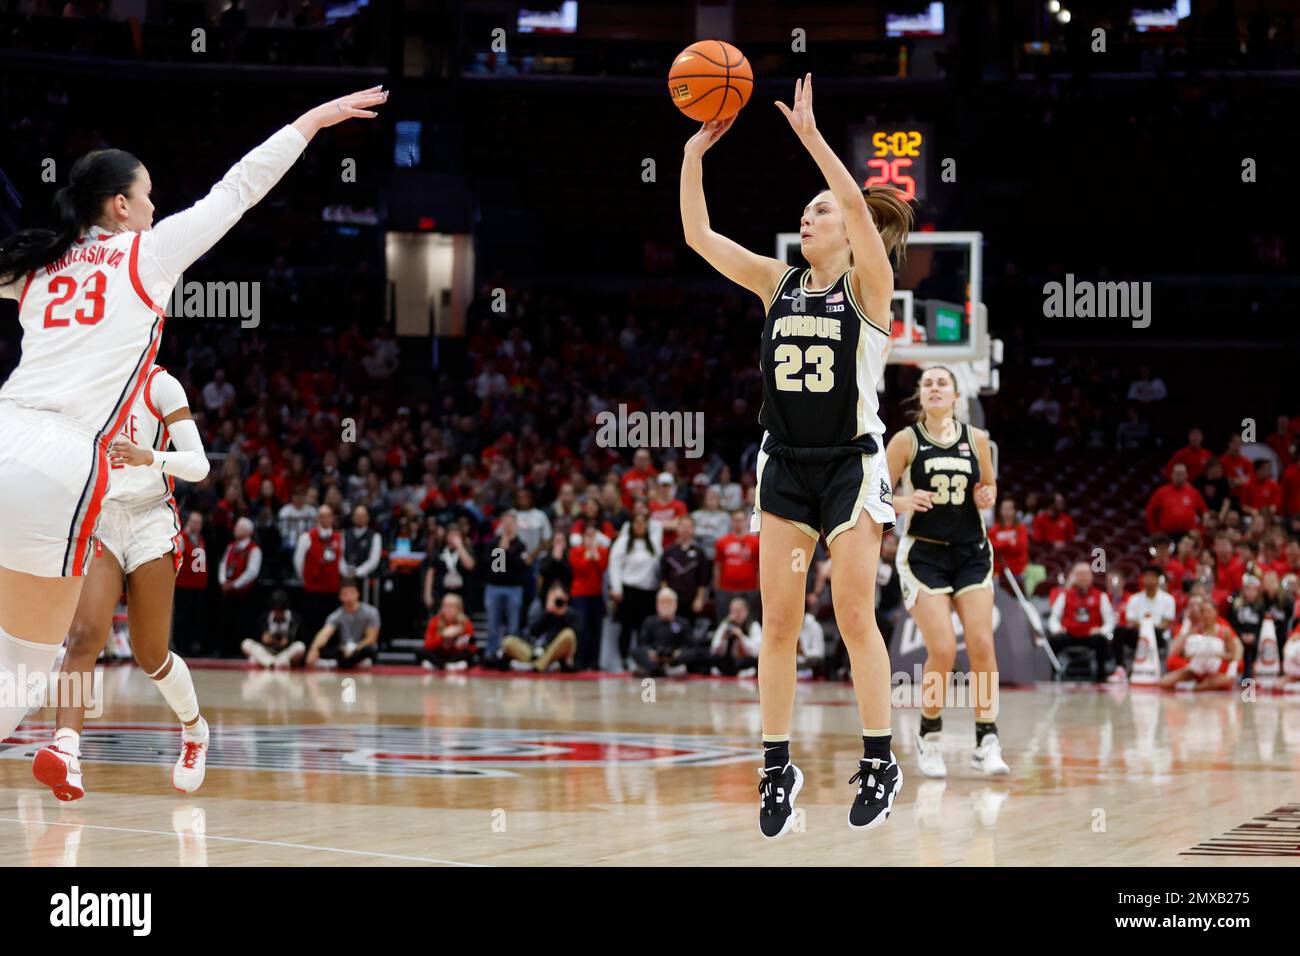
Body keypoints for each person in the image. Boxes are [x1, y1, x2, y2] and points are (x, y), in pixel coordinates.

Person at [0, 84, 386, 747]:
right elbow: (236, 191)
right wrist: (310, 122)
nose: (155, 207)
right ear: (121, 206)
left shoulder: (38, 262)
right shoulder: (145, 253)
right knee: (24, 670)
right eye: (147, 196)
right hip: (60, 462)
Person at [682, 74, 911, 837]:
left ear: (850, 231)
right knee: (777, 624)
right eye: (805, 211)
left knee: (852, 614)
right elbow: (699, 238)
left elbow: (851, 205)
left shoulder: (869, 289)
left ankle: (880, 760)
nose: (808, 219)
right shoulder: (776, 284)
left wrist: (813, 140)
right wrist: (691, 156)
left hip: (850, 464)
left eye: (822, 212)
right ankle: (776, 766)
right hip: (785, 464)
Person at [32, 364, 211, 801]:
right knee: (83, 636)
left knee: (150, 654)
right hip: (103, 518)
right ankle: (68, 753)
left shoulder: (161, 384)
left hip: (151, 518)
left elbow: (200, 465)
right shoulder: (86, 382)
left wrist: (151, 457)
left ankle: (194, 731)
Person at [886, 364, 1008, 779]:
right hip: (924, 555)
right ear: (920, 396)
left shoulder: (979, 440)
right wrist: (904, 503)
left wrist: (988, 494)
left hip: (971, 552)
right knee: (941, 650)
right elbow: (879, 494)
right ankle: (929, 736)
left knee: (982, 647)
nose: (935, 388)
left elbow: (987, 491)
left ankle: (987, 740)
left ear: (957, 396)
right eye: (928, 384)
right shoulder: (905, 440)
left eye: (942, 383)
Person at [1047, 562, 1121, 681]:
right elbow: (1054, 618)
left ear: (1091, 577)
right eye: (1080, 574)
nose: (1083, 577)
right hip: (1070, 635)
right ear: (1074, 577)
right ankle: (1052, 674)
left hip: (1090, 636)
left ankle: (1101, 676)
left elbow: (1110, 621)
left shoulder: (1100, 596)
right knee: (1054, 640)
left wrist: (1102, 630)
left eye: (1086, 574)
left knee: (1100, 640)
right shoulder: (1064, 596)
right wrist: (1057, 629)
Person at [608, 513, 660, 671]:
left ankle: (642, 659)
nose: (640, 526)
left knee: (644, 629)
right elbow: (615, 565)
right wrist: (616, 588)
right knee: (627, 628)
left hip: (648, 592)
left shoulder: (653, 544)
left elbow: (658, 566)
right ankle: (624, 658)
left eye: (643, 523)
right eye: (637, 523)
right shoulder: (623, 542)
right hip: (629, 591)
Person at [1160, 597, 1242, 691]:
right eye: (1203, 612)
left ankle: (1194, 687)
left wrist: (1216, 654)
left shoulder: (1224, 631)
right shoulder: (1195, 630)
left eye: (1209, 611)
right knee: (1165, 682)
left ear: (1215, 612)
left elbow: (1232, 655)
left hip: (1216, 670)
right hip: (1196, 669)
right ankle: (1195, 685)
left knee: (1225, 681)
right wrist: (1196, 654)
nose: (1206, 615)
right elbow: (1183, 655)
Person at [304, 578, 380, 670]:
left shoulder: (370, 612)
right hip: (344, 650)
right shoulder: (337, 615)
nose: (349, 597)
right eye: (345, 594)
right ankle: (347, 663)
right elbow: (325, 633)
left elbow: (371, 638)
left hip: (361, 649)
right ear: (340, 597)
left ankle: (337, 663)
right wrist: (314, 648)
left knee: (369, 651)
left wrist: (355, 649)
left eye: (351, 593)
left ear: (358, 594)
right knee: (325, 650)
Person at [501, 582, 578, 672]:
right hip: (535, 651)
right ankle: (540, 665)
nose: (557, 602)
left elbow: (575, 638)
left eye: (559, 598)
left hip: (554, 653)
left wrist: (562, 615)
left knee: (568, 634)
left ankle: (537, 666)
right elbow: (531, 631)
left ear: (566, 597)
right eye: (553, 597)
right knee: (508, 641)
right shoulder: (540, 608)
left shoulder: (571, 614)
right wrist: (547, 613)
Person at [1114, 565, 1177, 673]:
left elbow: (1166, 623)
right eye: (1146, 576)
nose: (1149, 580)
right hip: (1139, 634)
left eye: (1152, 577)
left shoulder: (1168, 599)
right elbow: (1131, 621)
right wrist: (1145, 627)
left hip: (1158, 634)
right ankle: (1120, 668)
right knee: (1119, 631)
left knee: (1157, 632)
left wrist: (1150, 627)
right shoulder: (1134, 599)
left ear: (1158, 579)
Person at [294, 502, 344, 640]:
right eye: (322, 516)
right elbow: (298, 562)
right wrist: (306, 579)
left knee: (331, 624)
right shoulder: (307, 537)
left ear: (332, 518)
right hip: (313, 588)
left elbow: (341, 562)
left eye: (328, 516)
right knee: (312, 622)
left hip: (332, 588)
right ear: (317, 518)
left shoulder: (339, 538)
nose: (325, 519)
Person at [218, 516, 262, 656]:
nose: (236, 529)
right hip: (228, 592)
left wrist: (235, 584)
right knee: (226, 623)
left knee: (242, 624)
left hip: (244, 594)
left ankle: (240, 652)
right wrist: (223, 581)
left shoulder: (254, 549)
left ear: (248, 531)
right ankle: (226, 651)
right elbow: (223, 565)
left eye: (239, 527)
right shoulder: (231, 546)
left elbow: (252, 572)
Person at [568, 524, 609, 670]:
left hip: (596, 595)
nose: (591, 539)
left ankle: (594, 662)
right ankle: (579, 661)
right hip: (580, 595)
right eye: (588, 536)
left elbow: (603, 569)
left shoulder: (602, 551)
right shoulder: (575, 551)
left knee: (596, 629)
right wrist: (587, 556)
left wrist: (595, 555)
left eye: (593, 536)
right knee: (581, 628)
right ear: (583, 537)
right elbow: (579, 569)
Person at [660, 515, 711, 627]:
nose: (685, 529)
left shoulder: (699, 552)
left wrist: (699, 598)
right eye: (682, 526)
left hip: (691, 599)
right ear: (677, 528)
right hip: (672, 599)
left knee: (689, 627)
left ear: (693, 529)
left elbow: (703, 579)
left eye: (688, 526)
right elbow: (663, 576)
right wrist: (664, 596)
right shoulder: (669, 550)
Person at [630, 587, 692, 677]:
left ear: (675, 604)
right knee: (636, 651)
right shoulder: (649, 621)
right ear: (657, 604)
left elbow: (689, 645)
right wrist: (650, 652)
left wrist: (678, 652)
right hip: (653, 657)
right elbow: (643, 643)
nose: (666, 606)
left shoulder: (683, 622)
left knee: (691, 654)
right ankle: (658, 669)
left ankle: (655, 670)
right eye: (663, 602)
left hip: (674, 657)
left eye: (669, 602)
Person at [241, 589, 306, 668]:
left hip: (286, 653)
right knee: (246, 643)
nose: (278, 612)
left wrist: (288, 640)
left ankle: (269, 662)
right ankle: (272, 663)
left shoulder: (296, 619)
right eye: (276, 609)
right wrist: (263, 638)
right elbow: (255, 638)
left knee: (300, 646)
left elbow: (302, 639)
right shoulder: (263, 618)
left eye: (281, 609)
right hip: (267, 651)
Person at [418, 592, 476, 670]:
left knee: (469, 655)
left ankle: (438, 665)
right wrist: (443, 635)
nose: (448, 609)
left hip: (455, 654)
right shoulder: (435, 621)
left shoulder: (465, 623)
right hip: (439, 653)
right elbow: (427, 645)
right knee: (420, 651)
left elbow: (473, 647)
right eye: (446, 606)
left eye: (452, 607)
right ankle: (447, 665)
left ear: (459, 609)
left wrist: (458, 644)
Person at [706, 597, 763, 677]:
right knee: (707, 658)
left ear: (746, 611)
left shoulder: (753, 625)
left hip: (746, 661)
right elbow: (714, 650)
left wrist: (741, 636)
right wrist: (723, 638)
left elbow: (757, 652)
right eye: (734, 611)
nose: (737, 614)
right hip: (729, 661)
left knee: (754, 662)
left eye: (739, 610)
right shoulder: (726, 624)